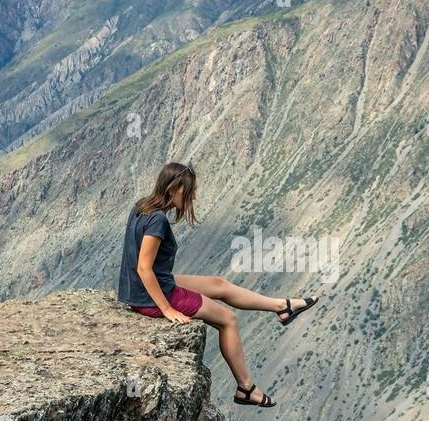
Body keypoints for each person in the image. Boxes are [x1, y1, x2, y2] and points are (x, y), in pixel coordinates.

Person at [118, 162, 317, 408]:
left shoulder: (141, 206)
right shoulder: (158, 220)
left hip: (143, 287)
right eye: (191, 191)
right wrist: (168, 310)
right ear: (176, 189)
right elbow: (143, 267)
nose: (194, 196)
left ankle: (282, 306)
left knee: (218, 284)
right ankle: (246, 388)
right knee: (228, 319)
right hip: (153, 296)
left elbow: (140, 265)